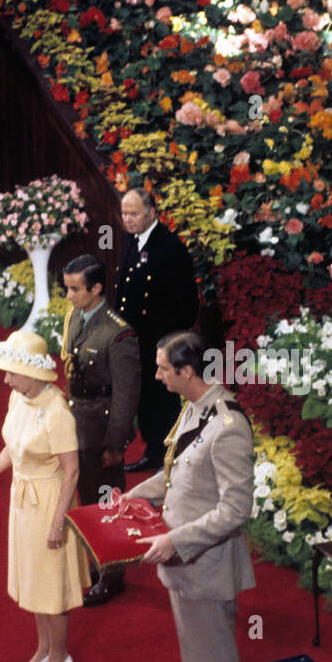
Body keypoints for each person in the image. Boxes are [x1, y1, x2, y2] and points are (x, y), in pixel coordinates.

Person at [128, 331, 255, 662]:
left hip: (204, 566)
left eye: (163, 369)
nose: (157, 376)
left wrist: (175, 541)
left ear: (187, 372)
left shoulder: (228, 426)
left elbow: (236, 509)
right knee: (196, 658)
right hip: (185, 563)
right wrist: (134, 496)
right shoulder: (195, 408)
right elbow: (176, 470)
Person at [0, 330, 90, 662]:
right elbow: (13, 446)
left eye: (10, 372)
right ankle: (42, 650)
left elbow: (73, 471)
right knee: (35, 580)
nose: (5, 379)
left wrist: (58, 523)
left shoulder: (57, 412)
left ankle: (59, 657)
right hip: (22, 500)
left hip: (51, 502)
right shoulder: (18, 398)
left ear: (32, 373)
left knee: (52, 585)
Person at [59, 253, 142, 607]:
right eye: (67, 288)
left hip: (102, 429)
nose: (69, 296)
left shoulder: (118, 333)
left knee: (106, 502)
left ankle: (112, 575)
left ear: (96, 289)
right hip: (78, 422)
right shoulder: (77, 316)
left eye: (75, 289)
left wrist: (116, 443)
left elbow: (126, 395)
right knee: (85, 498)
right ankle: (95, 561)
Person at [115, 189, 199, 473]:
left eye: (134, 213)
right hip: (135, 339)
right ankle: (153, 451)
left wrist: (171, 343)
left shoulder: (170, 247)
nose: (128, 219)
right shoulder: (132, 240)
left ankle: (167, 455)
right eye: (125, 213)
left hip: (159, 341)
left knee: (162, 399)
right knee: (143, 399)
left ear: (152, 212)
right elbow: (124, 288)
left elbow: (187, 301)